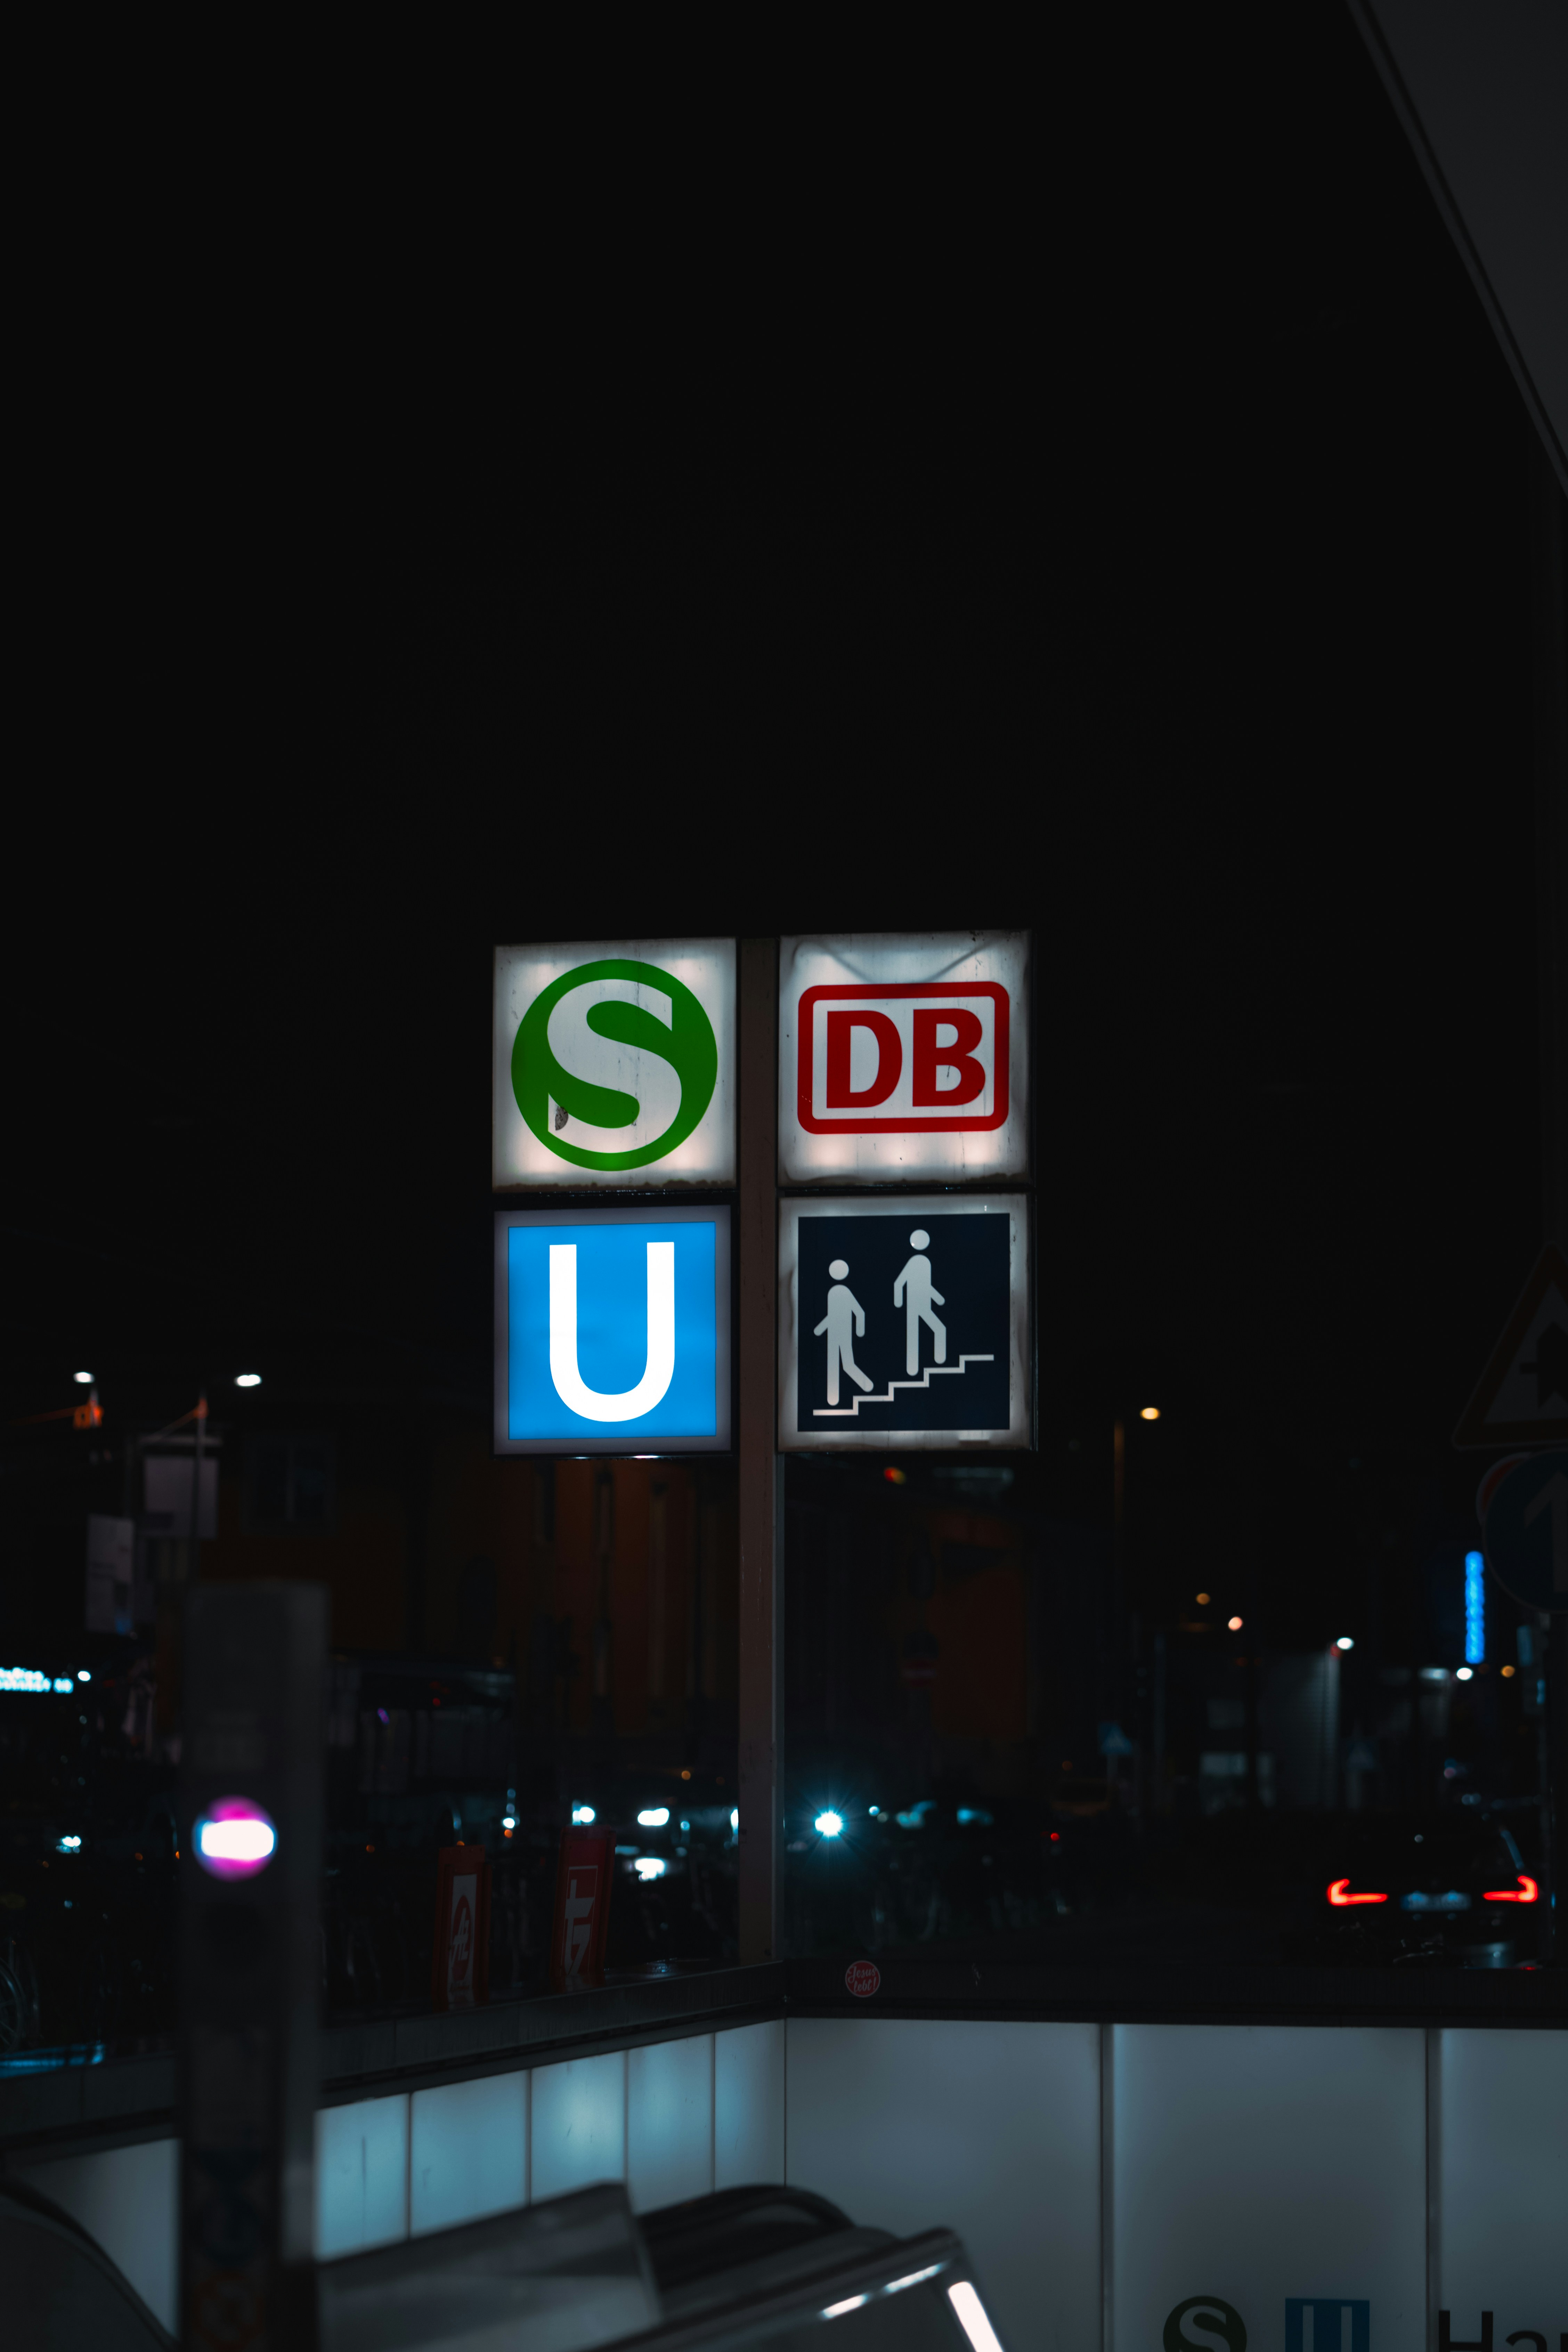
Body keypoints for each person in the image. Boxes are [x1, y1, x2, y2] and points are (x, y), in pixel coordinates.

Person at [814, 1257, 873, 1405]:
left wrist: (860, 1330)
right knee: (833, 1365)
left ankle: (866, 1385)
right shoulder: (834, 1293)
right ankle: (833, 1399)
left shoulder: (842, 1292)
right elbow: (833, 1316)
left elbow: (859, 1313)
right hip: (834, 1335)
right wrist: (821, 1329)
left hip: (843, 1335)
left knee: (847, 1364)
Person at [894, 1228, 946, 1375]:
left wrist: (937, 1298)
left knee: (939, 1329)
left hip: (923, 1305)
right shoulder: (915, 1262)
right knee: (914, 1335)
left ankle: (939, 1359)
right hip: (913, 1306)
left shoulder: (925, 1262)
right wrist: (899, 1301)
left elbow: (926, 1285)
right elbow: (899, 1283)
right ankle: (912, 1369)